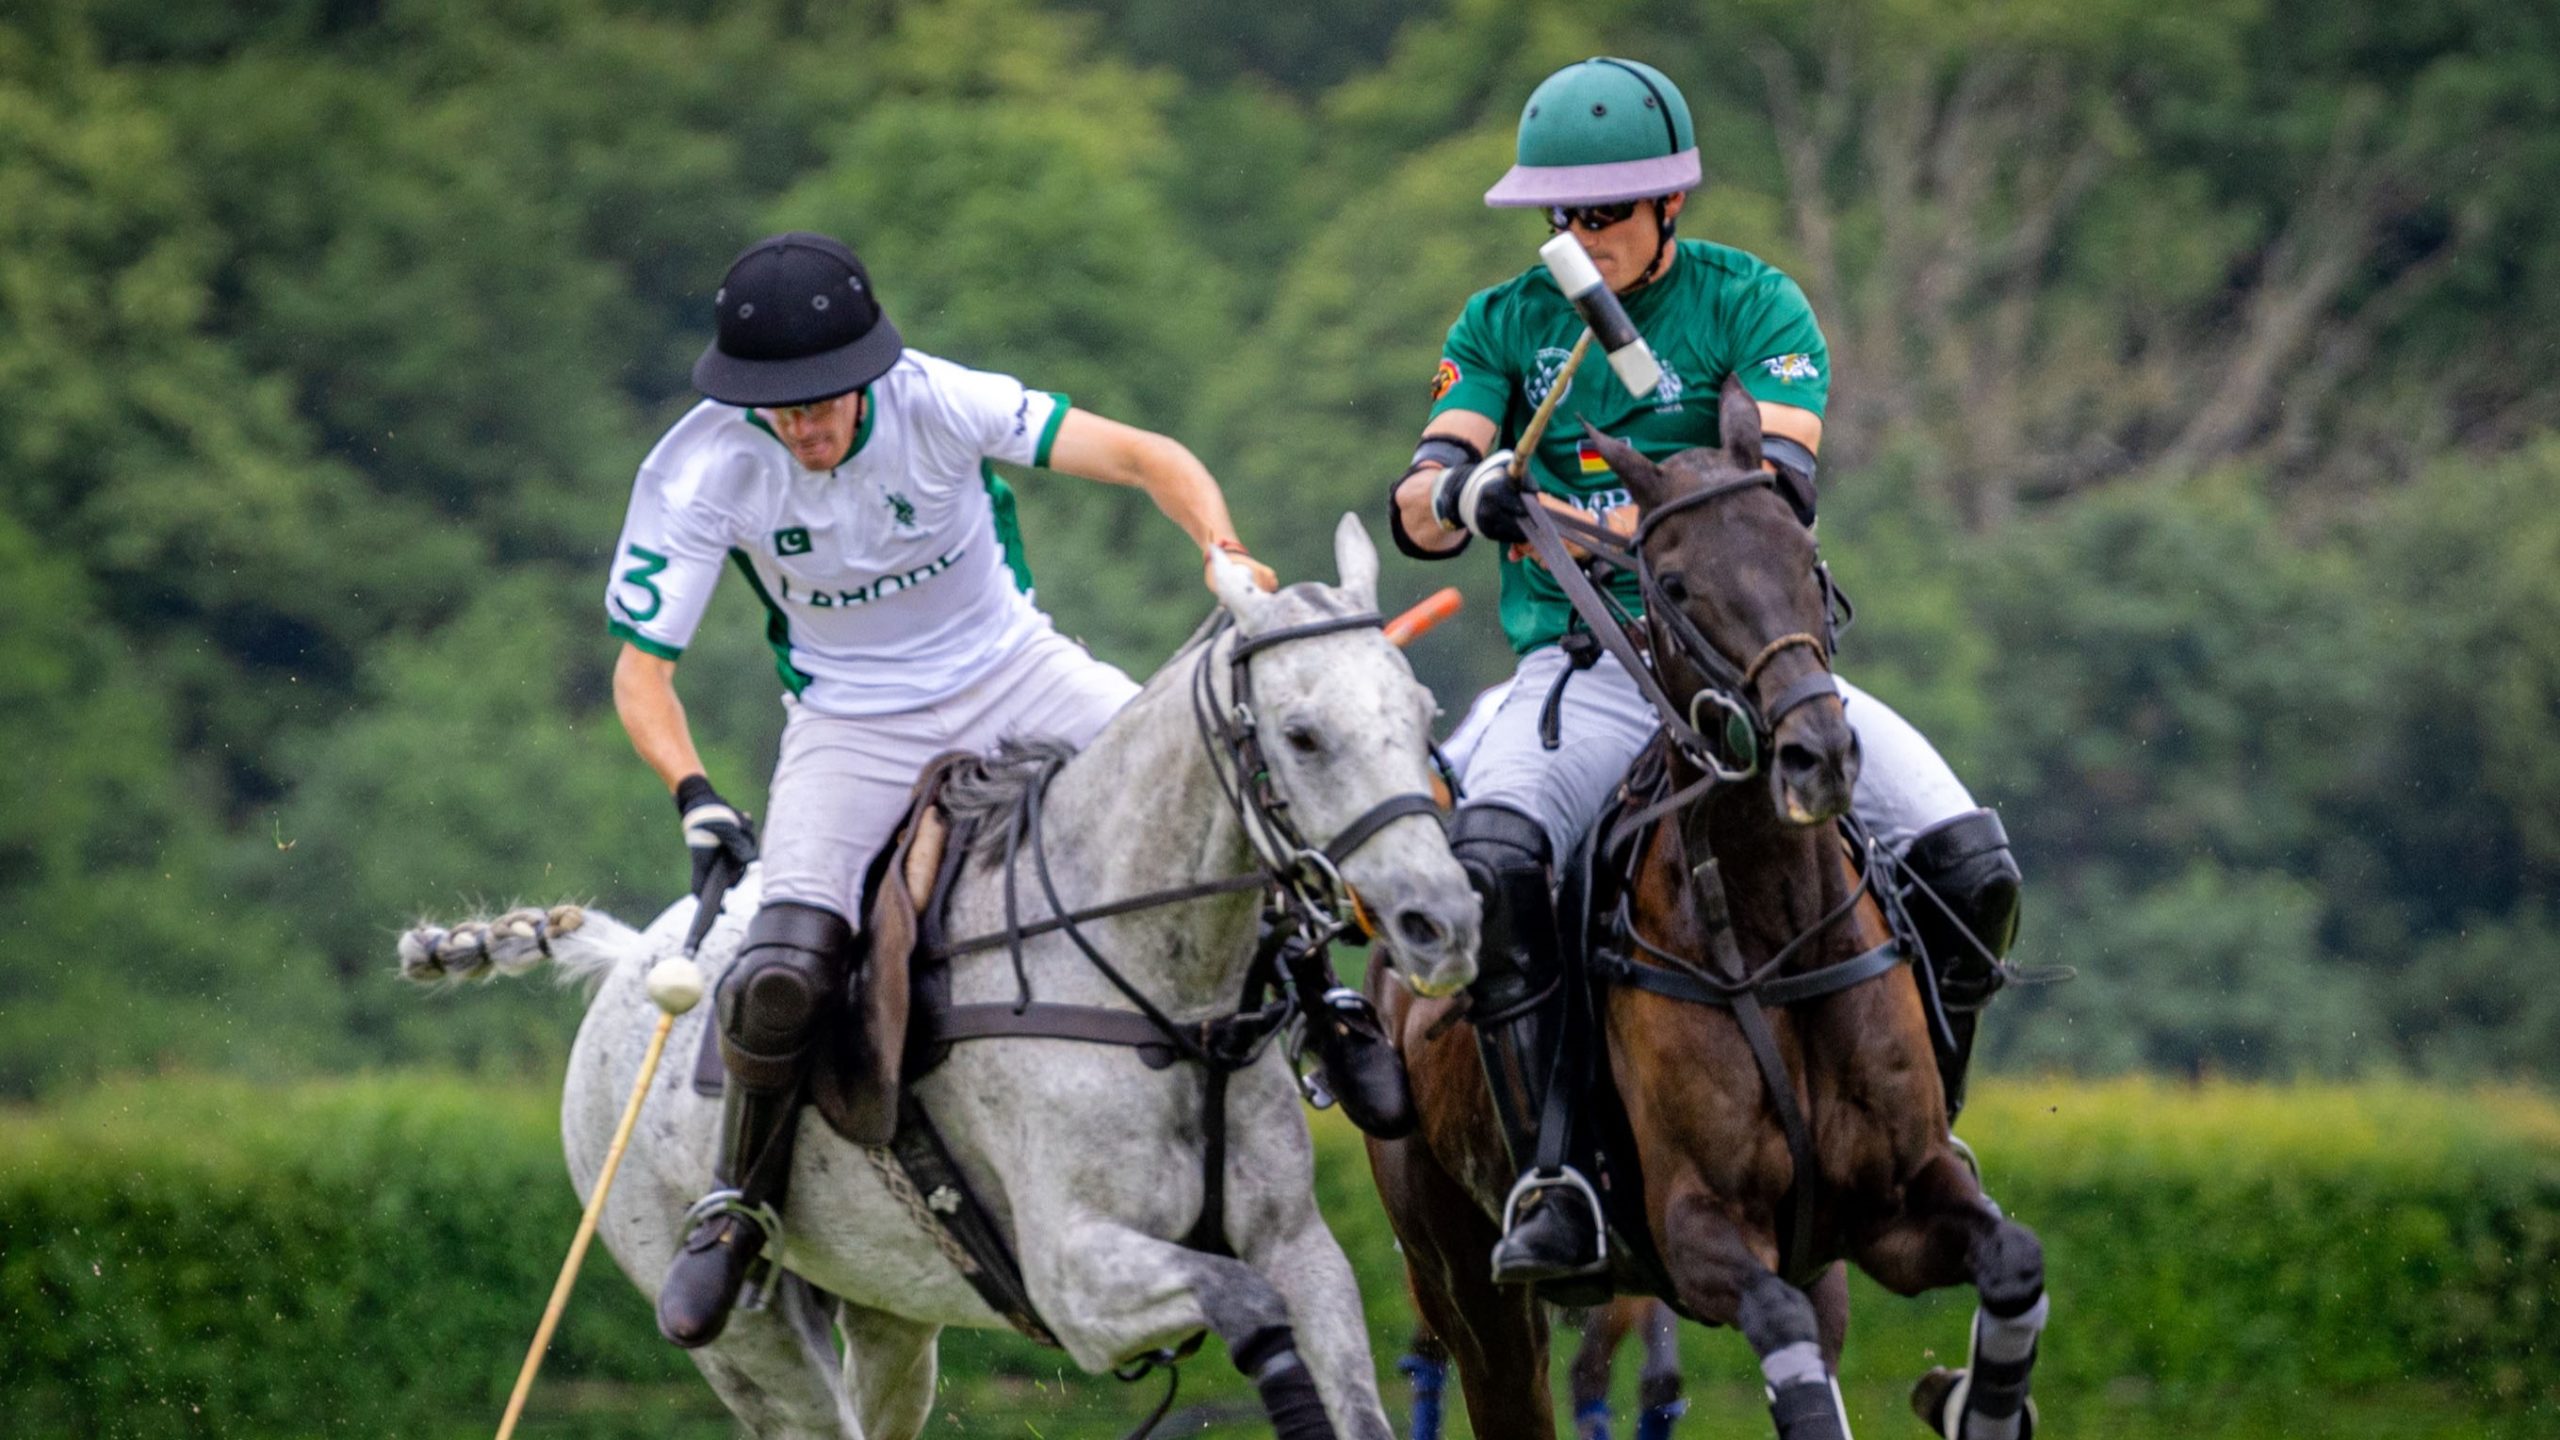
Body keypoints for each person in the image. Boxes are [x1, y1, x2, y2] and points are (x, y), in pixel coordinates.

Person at [1386, 60, 2023, 1284]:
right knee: (1505, 867)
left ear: (1669, 206)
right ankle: (1555, 1174)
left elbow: (1778, 489)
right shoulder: (1505, 324)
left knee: (1968, 864)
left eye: (1606, 216)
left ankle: (1918, 1133)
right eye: (1560, 218)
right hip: (1587, 675)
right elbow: (1417, 500)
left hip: (1750, 662)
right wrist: (1469, 490)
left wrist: (1603, 514)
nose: (1581, 239)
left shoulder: (1753, 305)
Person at [607, 231, 1292, 1348]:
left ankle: (1331, 1020)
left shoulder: (941, 400)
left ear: (867, 372)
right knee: (779, 969)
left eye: (820, 401)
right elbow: (643, 673)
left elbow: (1145, 456)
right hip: (847, 721)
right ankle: (739, 1201)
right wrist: (694, 791)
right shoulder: (700, 470)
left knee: (1220, 799)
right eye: (777, 405)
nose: (803, 425)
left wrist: (1219, 547)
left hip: (1016, 668)